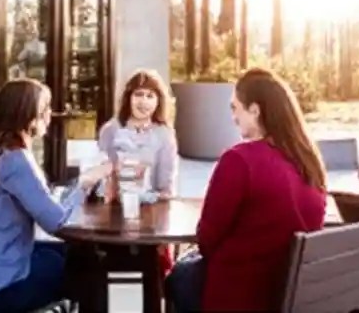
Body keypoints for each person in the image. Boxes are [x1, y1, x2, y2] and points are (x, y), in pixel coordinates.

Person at [165, 68, 327, 312]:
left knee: (178, 276)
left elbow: (207, 239)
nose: (233, 117)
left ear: (255, 110)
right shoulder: (309, 161)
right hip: (288, 296)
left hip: (238, 295)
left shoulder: (239, 161)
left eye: (235, 108)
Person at [0, 78, 114, 313]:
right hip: (2, 289)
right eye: (44, 109)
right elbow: (56, 222)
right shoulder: (12, 159)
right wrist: (84, 183)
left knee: (78, 254)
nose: (50, 115)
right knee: (93, 266)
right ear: (26, 116)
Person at [98, 68, 178, 198]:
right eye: (138, 94)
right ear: (128, 97)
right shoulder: (110, 130)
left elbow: (166, 188)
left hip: (152, 204)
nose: (143, 102)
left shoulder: (164, 135)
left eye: (150, 96)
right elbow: (101, 179)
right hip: (115, 203)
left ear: (158, 101)